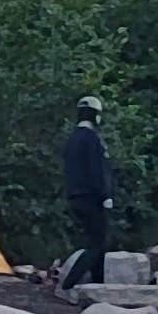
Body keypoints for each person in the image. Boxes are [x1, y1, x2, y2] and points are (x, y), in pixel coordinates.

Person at [60, 93, 115, 289]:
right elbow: (97, 170)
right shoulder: (92, 139)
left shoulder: (72, 139)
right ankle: (68, 284)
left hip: (75, 196)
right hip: (92, 198)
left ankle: (99, 285)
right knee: (97, 244)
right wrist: (105, 195)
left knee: (98, 242)